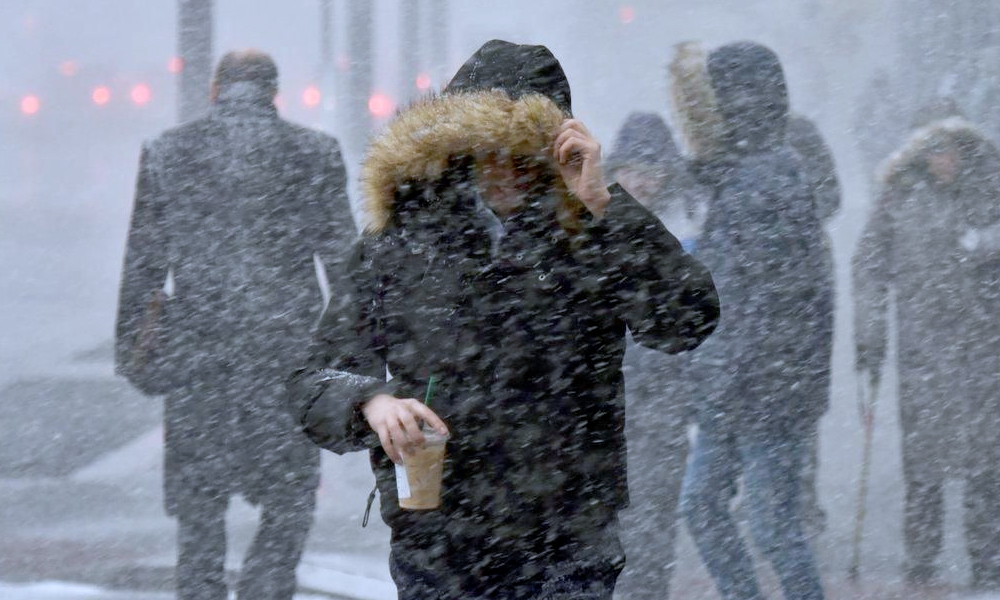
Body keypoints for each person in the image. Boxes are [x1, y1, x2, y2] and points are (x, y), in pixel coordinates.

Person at [286, 40, 719, 600]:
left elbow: (687, 319)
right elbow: (314, 379)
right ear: (456, 149)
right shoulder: (399, 243)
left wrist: (604, 204)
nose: (507, 170)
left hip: (569, 538)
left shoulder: (591, 231)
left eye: (527, 152)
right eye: (489, 149)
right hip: (441, 540)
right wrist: (372, 401)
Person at [114, 50, 354, 600]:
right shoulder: (314, 153)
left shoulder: (169, 152)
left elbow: (144, 265)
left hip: (202, 356)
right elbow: (343, 263)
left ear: (215, 89)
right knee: (288, 500)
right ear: (273, 92)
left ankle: (202, 590)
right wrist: (355, 350)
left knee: (200, 513)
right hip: (287, 354)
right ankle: (265, 585)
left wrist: (135, 353)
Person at [670, 41, 831, 600]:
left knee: (770, 524)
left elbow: (772, 300)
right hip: (740, 385)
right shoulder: (741, 176)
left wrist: (722, 374)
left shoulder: (767, 179)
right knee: (707, 508)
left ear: (735, 101)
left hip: (764, 388)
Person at [853, 112, 1000, 590]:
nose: (946, 160)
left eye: (954, 149)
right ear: (920, 152)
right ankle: (921, 561)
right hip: (923, 353)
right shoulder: (899, 197)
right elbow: (869, 268)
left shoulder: (991, 192)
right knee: (924, 465)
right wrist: (870, 334)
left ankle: (988, 560)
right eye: (936, 150)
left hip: (984, 350)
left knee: (986, 462)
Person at [606, 111, 709, 600]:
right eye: (632, 168)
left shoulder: (688, 225)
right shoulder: (590, 219)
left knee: (654, 513)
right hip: (601, 396)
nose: (642, 180)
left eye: (652, 169)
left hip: (663, 394)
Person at [786, 112, 841, 537]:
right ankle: (786, 497)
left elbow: (830, 196)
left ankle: (798, 497)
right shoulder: (723, 139)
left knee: (801, 401)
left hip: (804, 291)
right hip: (792, 289)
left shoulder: (799, 133)